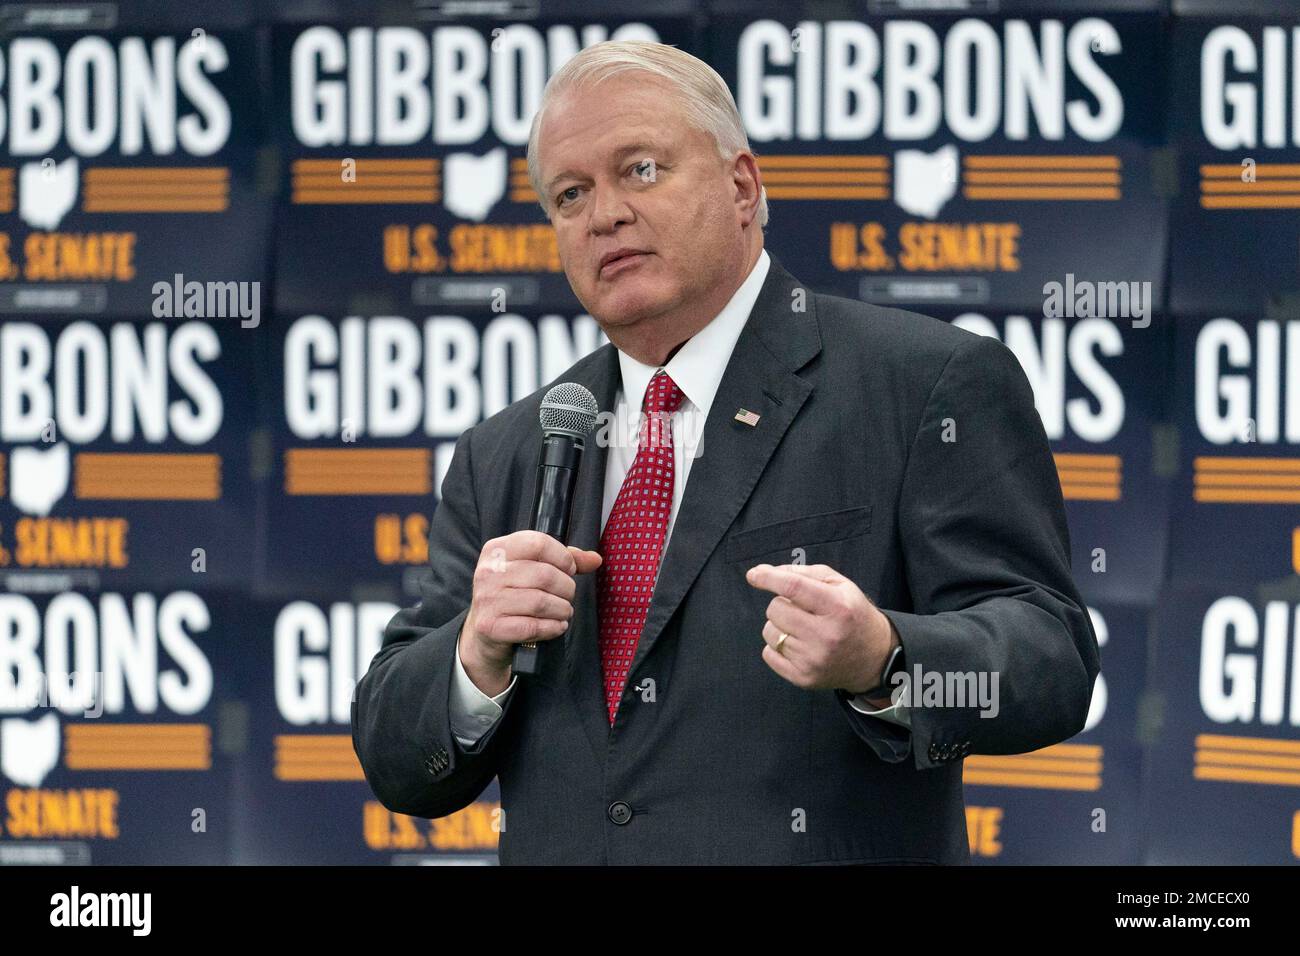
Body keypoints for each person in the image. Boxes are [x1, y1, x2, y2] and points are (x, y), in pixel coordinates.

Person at [351, 41, 1100, 865]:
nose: (603, 214)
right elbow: (398, 761)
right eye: (570, 194)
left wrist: (885, 656)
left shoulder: (925, 384)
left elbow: (1051, 661)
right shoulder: (512, 449)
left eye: (639, 170)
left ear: (742, 186)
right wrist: (473, 655)